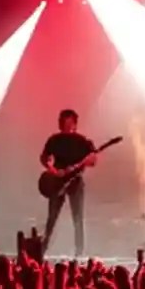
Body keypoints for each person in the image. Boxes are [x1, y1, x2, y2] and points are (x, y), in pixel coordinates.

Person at [40, 108, 97, 254]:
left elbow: (93, 160)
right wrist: (53, 170)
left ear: (74, 123)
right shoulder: (54, 140)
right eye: (63, 121)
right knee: (52, 217)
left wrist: (85, 162)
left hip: (75, 182)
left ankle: (79, 250)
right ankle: (43, 247)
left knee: (77, 217)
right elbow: (45, 158)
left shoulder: (82, 141)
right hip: (57, 181)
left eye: (68, 121)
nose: (65, 124)